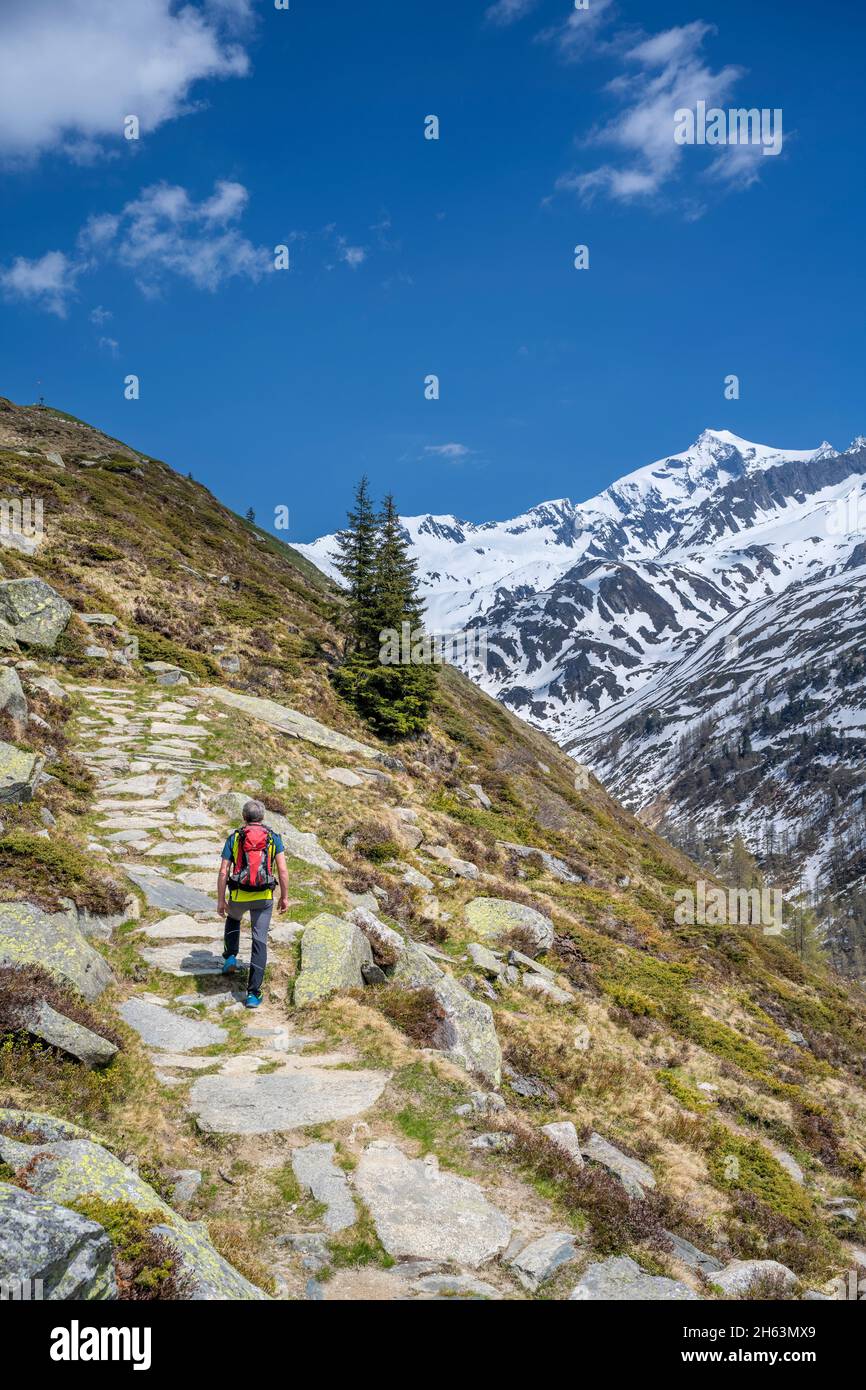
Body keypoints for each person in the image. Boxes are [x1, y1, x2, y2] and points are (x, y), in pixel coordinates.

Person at [217, 798, 289, 1009]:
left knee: (233, 918)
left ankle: (230, 957)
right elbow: (283, 871)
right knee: (259, 940)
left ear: (244, 817)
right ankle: (252, 994)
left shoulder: (235, 838)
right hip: (263, 897)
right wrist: (284, 897)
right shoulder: (273, 838)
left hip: (239, 893)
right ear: (263, 817)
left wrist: (221, 900)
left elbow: (224, 872)